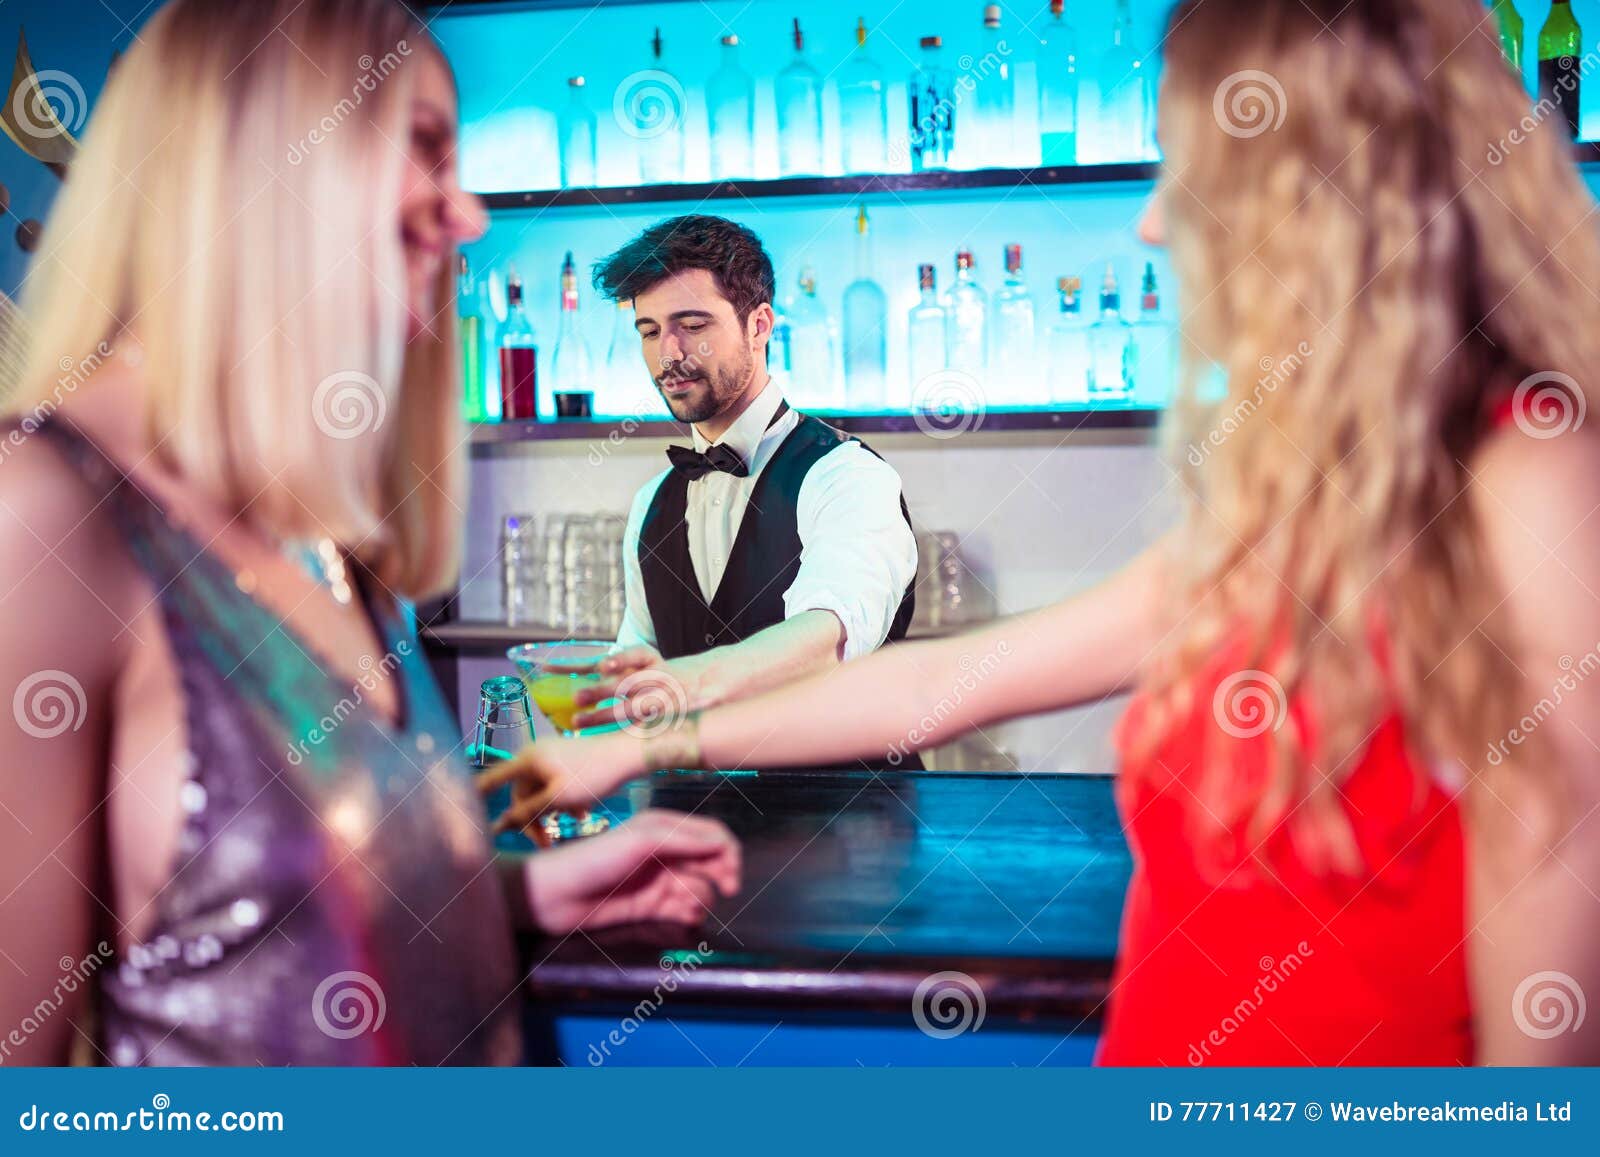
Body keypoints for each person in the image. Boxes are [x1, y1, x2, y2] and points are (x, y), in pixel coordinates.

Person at [484, 0, 1600, 1065]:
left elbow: (1546, 1026)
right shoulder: (1317, 495)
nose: (1153, 219)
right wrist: (636, 743)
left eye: (1184, 163)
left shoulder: (1531, 478)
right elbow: (963, 674)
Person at [0, 0, 738, 1067]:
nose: (470, 213)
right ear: (266, 158)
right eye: (425, 149)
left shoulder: (327, 533)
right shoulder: (44, 512)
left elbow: (281, 928)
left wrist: (514, 895)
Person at [565, 216, 919, 768]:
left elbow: (829, 634)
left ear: (759, 326)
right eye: (650, 330)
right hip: (695, 831)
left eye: (693, 324)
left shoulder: (847, 478)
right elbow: (639, 667)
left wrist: (691, 682)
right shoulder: (651, 504)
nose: (669, 353)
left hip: (848, 828)